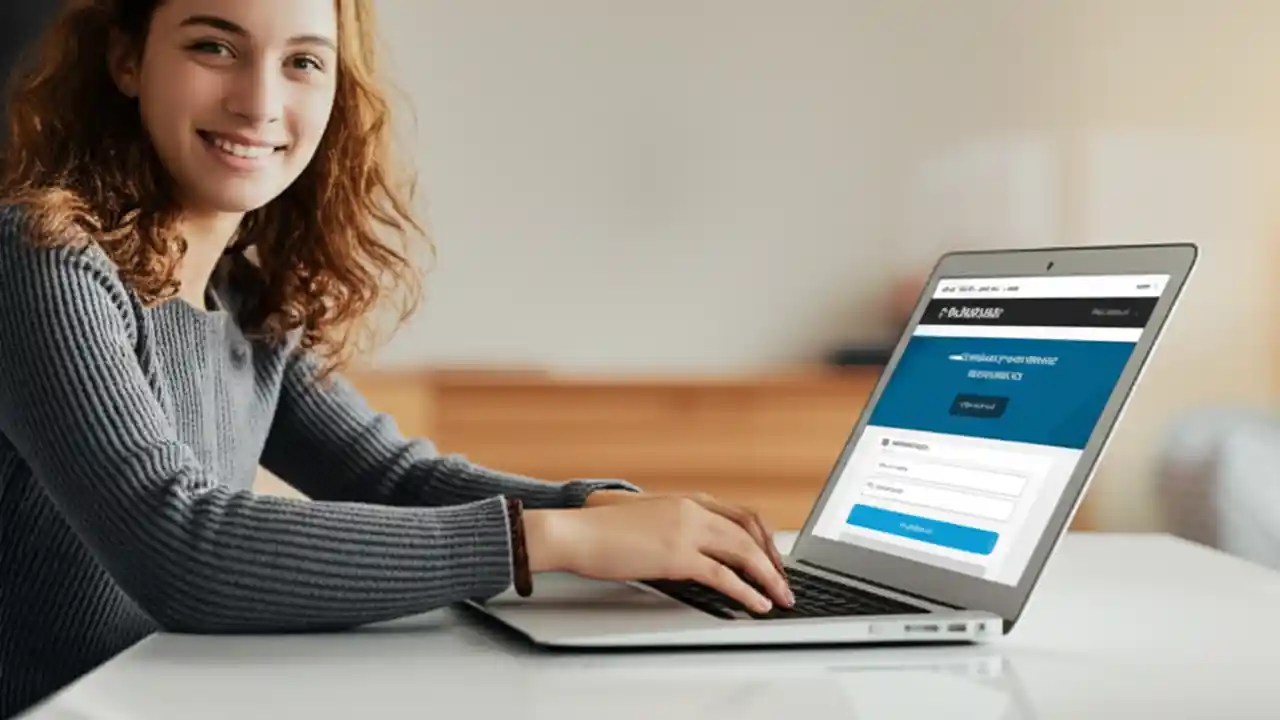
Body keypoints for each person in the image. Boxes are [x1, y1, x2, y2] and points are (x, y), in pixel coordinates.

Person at [0, 0, 794, 716]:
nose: (260, 102)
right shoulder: (39, 260)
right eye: (215, 47)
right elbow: (179, 547)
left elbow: (393, 478)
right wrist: (548, 543)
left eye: (304, 61)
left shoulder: (245, 301)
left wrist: (600, 510)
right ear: (126, 59)